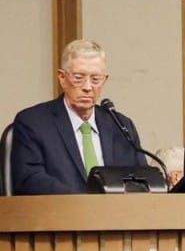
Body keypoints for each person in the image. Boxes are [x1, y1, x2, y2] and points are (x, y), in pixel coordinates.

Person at [9, 38, 147, 195]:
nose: (88, 87)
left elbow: (142, 179)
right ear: (62, 78)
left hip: (116, 216)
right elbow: (29, 179)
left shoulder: (120, 125)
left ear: (105, 80)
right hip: (60, 215)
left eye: (95, 79)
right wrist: (83, 202)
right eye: (79, 78)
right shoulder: (34, 123)